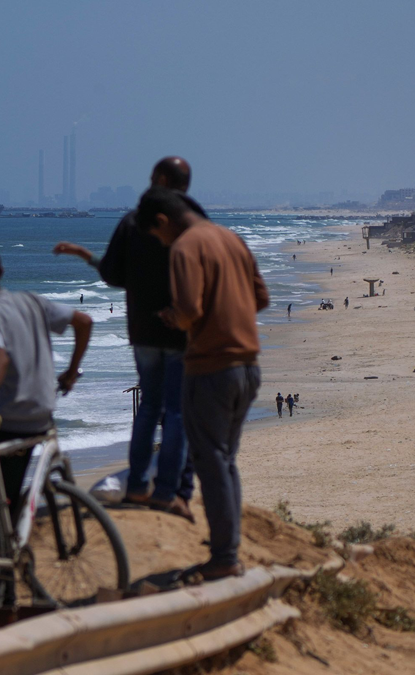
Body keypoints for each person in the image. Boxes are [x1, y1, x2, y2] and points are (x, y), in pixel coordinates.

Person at [51, 158, 199, 521]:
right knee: (177, 411)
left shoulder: (134, 221)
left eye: (152, 177)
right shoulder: (192, 219)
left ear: (162, 179)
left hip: (145, 332)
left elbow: (114, 275)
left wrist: (88, 257)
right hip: (182, 329)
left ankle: (136, 484)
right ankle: (166, 490)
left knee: (150, 406)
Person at [139, 187, 268, 581]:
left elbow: (190, 310)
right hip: (248, 364)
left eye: (156, 236)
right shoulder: (232, 239)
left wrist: (171, 317)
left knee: (211, 462)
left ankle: (225, 557)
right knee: (225, 460)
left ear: (162, 223)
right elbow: (260, 298)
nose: (161, 243)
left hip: (211, 368)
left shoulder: (183, 248)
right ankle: (226, 549)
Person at [0, 240, 92, 522]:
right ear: (1, 271)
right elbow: (84, 322)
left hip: (10, 421)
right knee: (11, 489)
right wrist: (71, 372)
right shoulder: (31, 301)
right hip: (43, 414)